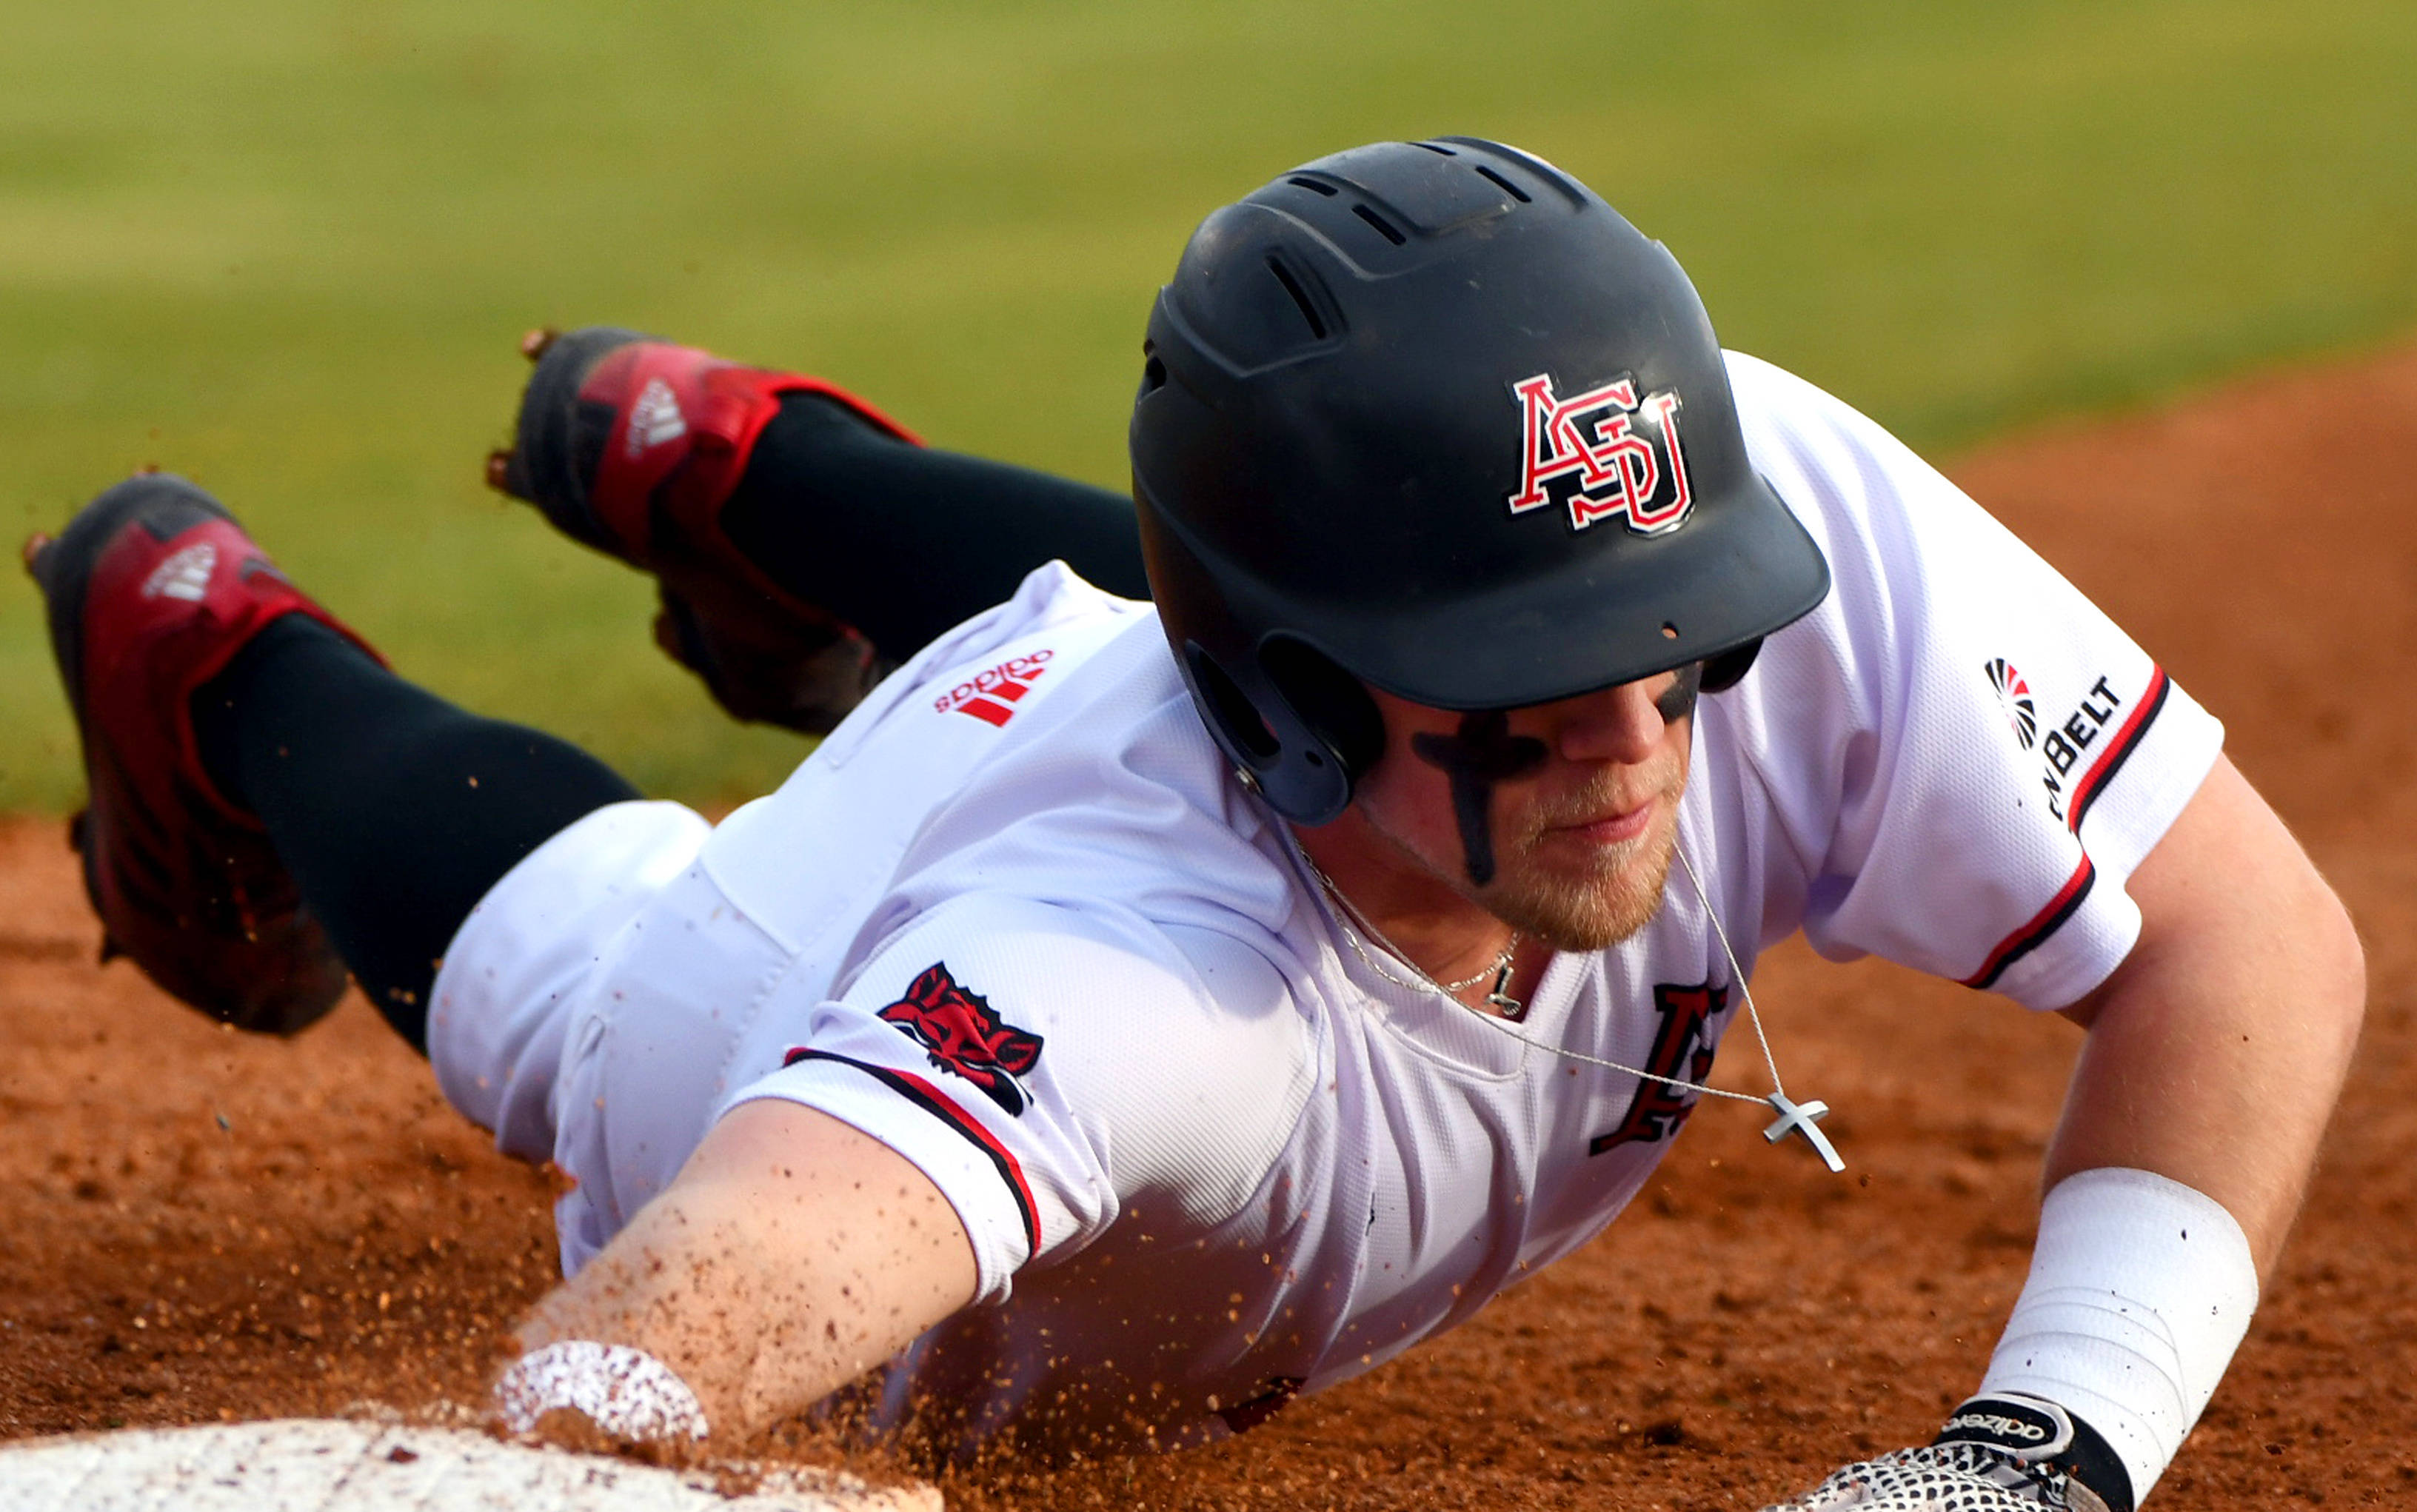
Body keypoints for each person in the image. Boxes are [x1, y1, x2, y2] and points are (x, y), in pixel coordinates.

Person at [27, 139, 2361, 1511]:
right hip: (761, 956)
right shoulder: (1123, 980)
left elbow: (2254, 940)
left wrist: (2037, 1451)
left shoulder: (1734, 488)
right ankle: (208, 633)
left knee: (1144, 624)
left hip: (1156, 685)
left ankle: (734, 465)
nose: (1643, 718)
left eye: (1674, 619)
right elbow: (629, 1360)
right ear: (1288, 675)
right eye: (1533, 669)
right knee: (573, 945)